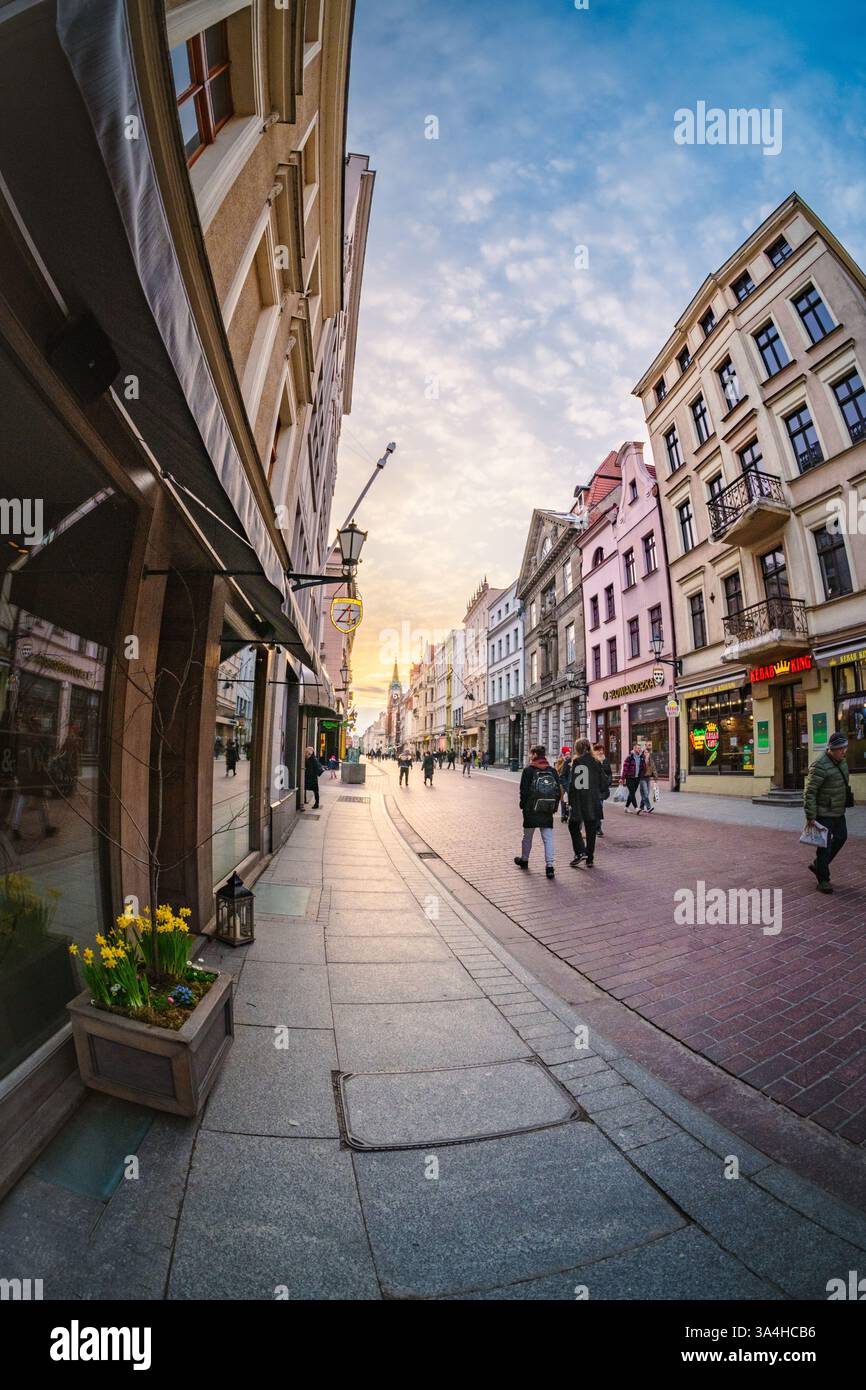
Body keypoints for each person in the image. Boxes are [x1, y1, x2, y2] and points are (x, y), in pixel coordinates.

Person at [804, 731, 852, 894]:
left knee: (842, 837)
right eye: (840, 749)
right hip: (824, 811)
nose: (844, 751)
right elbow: (810, 791)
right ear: (831, 749)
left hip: (838, 810)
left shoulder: (842, 762)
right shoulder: (820, 764)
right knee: (824, 846)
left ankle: (819, 865)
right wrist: (811, 815)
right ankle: (823, 880)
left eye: (845, 748)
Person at [514, 744, 561, 880]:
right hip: (546, 809)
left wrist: (523, 806)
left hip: (531, 808)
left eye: (531, 753)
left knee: (527, 836)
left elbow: (523, 790)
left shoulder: (528, 770)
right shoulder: (552, 770)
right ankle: (550, 867)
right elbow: (558, 790)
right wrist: (554, 807)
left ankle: (524, 859)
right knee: (548, 838)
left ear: (534, 754)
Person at [567, 738, 609, 868]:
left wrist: (571, 802)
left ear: (577, 749)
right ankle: (590, 858)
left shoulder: (578, 762)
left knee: (573, 826)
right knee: (591, 829)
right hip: (594, 801)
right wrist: (599, 794)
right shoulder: (596, 762)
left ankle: (580, 852)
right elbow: (604, 783)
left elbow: (576, 785)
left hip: (581, 801)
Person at [620, 741, 646, 812]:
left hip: (637, 778)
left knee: (632, 793)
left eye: (639, 748)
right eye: (637, 748)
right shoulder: (630, 757)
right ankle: (636, 808)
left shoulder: (641, 757)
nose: (639, 749)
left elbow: (643, 768)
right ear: (634, 749)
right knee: (632, 793)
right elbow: (625, 768)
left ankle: (626, 807)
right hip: (629, 778)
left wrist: (642, 775)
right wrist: (622, 778)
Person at [593, 743, 612, 835]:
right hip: (593, 788)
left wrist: (608, 782)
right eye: (598, 750)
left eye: (602, 750)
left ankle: (598, 827)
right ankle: (597, 827)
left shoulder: (605, 760)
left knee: (599, 807)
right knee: (597, 808)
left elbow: (609, 773)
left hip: (602, 788)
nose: (601, 752)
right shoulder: (592, 760)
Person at [555, 746, 572, 823]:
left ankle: (568, 814)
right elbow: (557, 770)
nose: (568, 755)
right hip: (561, 783)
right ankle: (563, 814)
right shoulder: (560, 761)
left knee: (568, 799)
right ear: (563, 754)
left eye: (569, 753)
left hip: (567, 782)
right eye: (566, 754)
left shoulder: (571, 761)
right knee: (562, 799)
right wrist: (564, 762)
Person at [642, 744, 658, 812]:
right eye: (645, 752)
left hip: (648, 778)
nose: (646, 753)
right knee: (645, 792)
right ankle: (649, 807)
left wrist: (655, 777)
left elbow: (654, 768)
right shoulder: (641, 759)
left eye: (647, 752)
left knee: (646, 793)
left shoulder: (651, 760)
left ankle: (641, 807)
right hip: (641, 778)